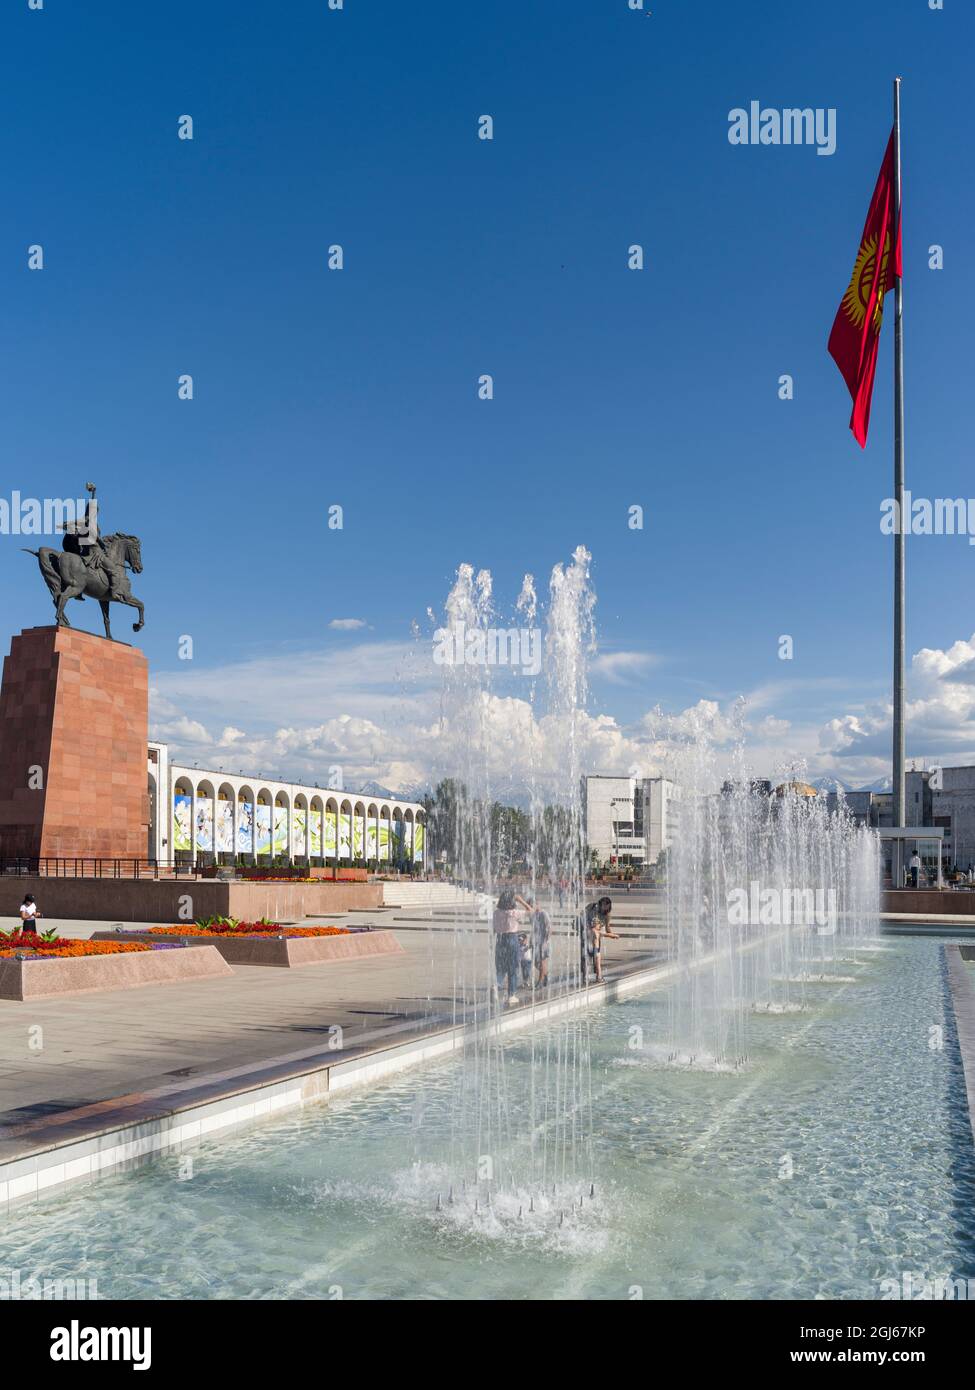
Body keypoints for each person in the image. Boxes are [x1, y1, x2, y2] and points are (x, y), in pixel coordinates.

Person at [493, 888, 532, 1006]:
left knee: (501, 967)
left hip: (500, 940)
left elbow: (494, 929)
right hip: (511, 939)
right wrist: (521, 900)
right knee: (513, 968)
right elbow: (531, 910)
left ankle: (496, 985)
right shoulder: (514, 913)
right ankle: (511, 995)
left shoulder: (496, 913)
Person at [580, 895, 619, 984]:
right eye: (604, 906)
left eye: (607, 907)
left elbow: (607, 928)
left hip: (596, 936)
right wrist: (611, 935)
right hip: (586, 933)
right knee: (586, 956)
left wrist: (612, 934)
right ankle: (586, 976)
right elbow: (587, 922)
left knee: (597, 955)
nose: (605, 908)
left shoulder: (607, 914)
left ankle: (599, 975)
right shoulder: (592, 908)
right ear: (600, 904)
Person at [526, 894, 552, 988]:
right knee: (536, 962)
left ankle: (540, 981)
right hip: (535, 941)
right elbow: (533, 929)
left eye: (531, 905)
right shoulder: (532, 915)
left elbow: (549, 928)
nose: (530, 907)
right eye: (528, 905)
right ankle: (546, 975)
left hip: (543, 942)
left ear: (537, 904)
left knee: (542, 961)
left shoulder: (543, 913)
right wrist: (530, 940)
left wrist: (545, 941)